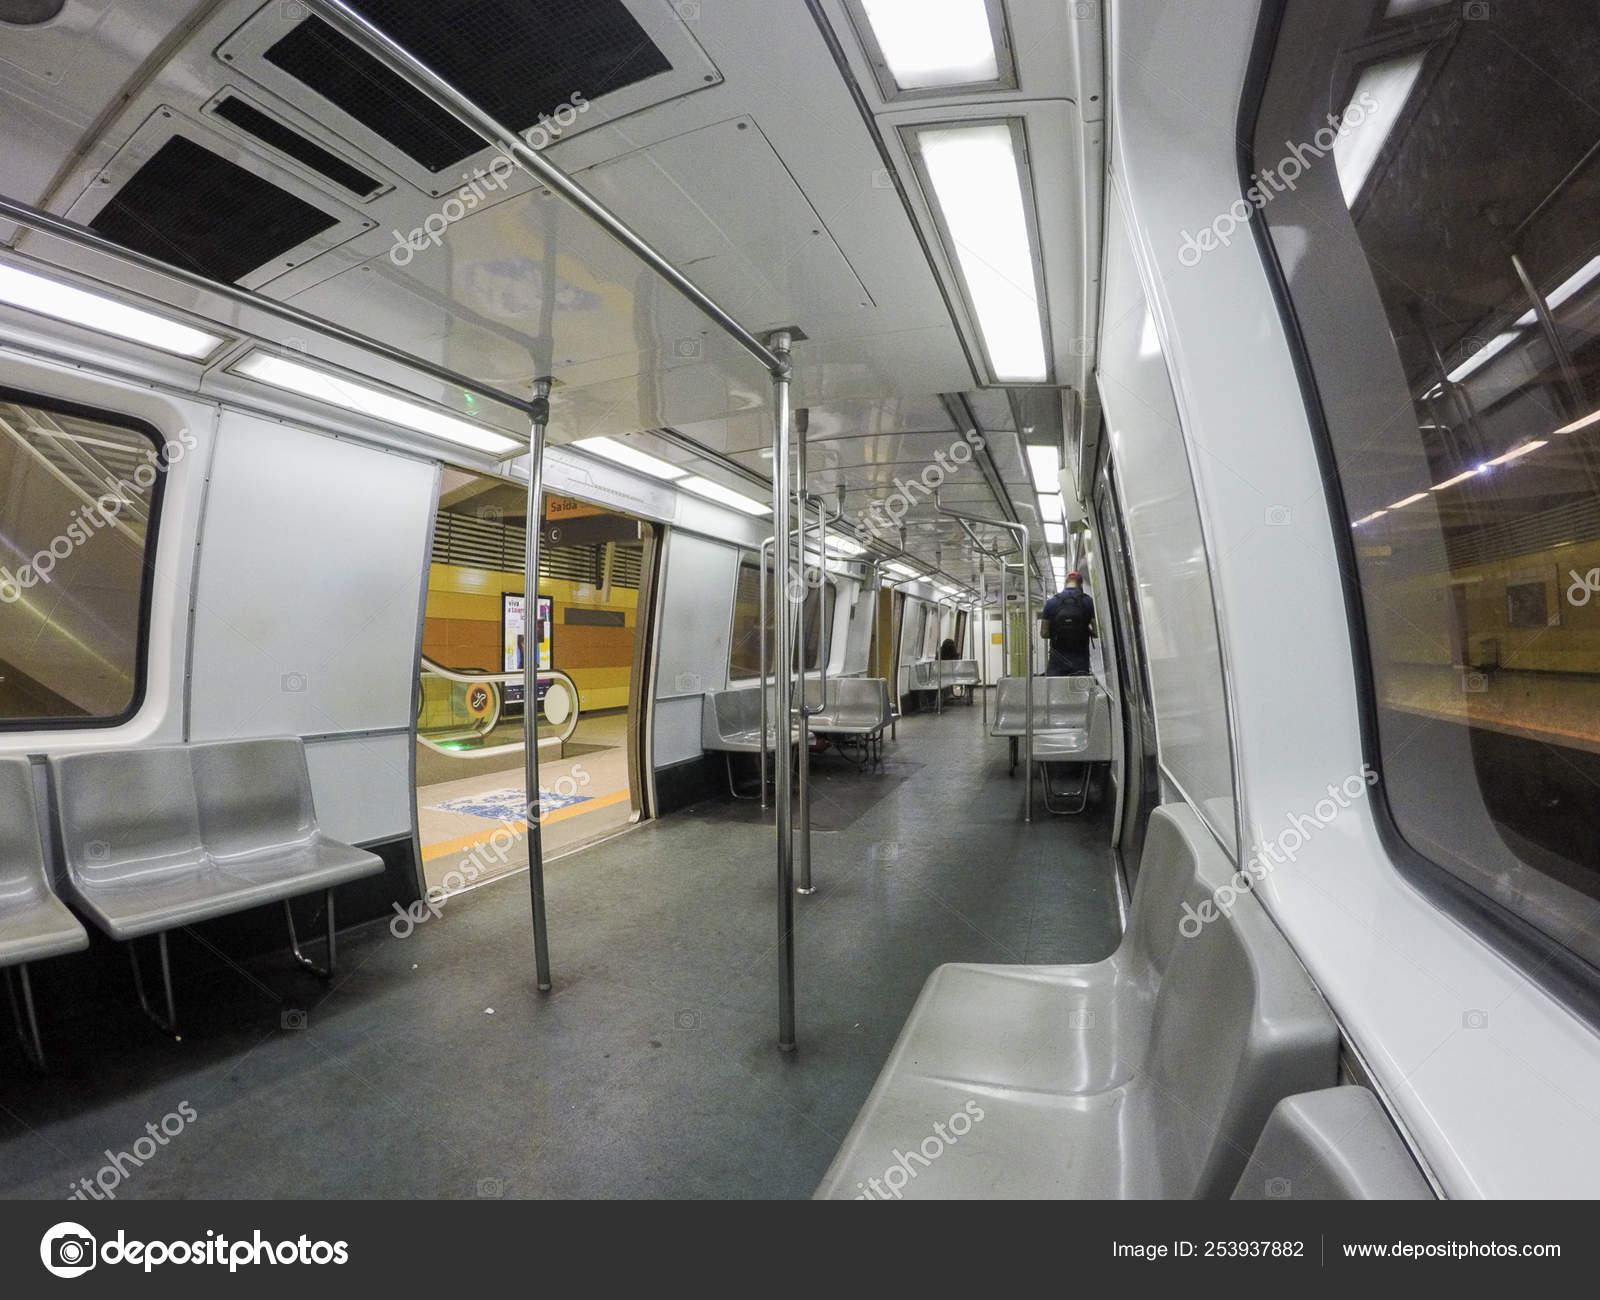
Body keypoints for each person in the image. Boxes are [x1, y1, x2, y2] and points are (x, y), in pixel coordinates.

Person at [1039, 572, 1096, 676]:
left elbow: (1043, 634)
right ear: (1081, 584)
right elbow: (1097, 632)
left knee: (1055, 689)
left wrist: (1057, 633)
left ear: (1065, 583)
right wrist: (1086, 631)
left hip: (1057, 660)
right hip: (1080, 659)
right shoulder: (1088, 601)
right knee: (1079, 690)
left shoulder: (1051, 602)